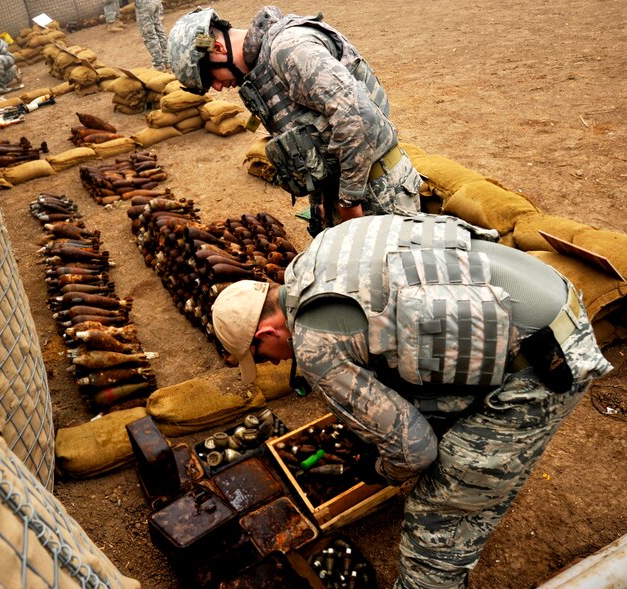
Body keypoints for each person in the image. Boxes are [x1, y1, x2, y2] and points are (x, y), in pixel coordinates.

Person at [211, 214, 612, 588]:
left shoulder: (315, 347)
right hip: (548, 291)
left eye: (262, 358)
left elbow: (415, 453)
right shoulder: (316, 255)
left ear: (266, 334)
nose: (273, 363)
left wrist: (380, 470)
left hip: (544, 361)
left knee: (437, 513)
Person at [168, 6, 422, 235]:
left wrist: (349, 201)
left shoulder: (290, 49)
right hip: (347, 193)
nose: (216, 87)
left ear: (217, 48)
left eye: (208, 76)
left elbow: (357, 118)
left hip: (377, 193)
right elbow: (308, 137)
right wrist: (319, 199)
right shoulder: (263, 64)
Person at [135, 0, 169, 71]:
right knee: (159, 29)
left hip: (144, 3)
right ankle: (167, 60)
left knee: (148, 33)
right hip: (156, 2)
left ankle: (158, 64)